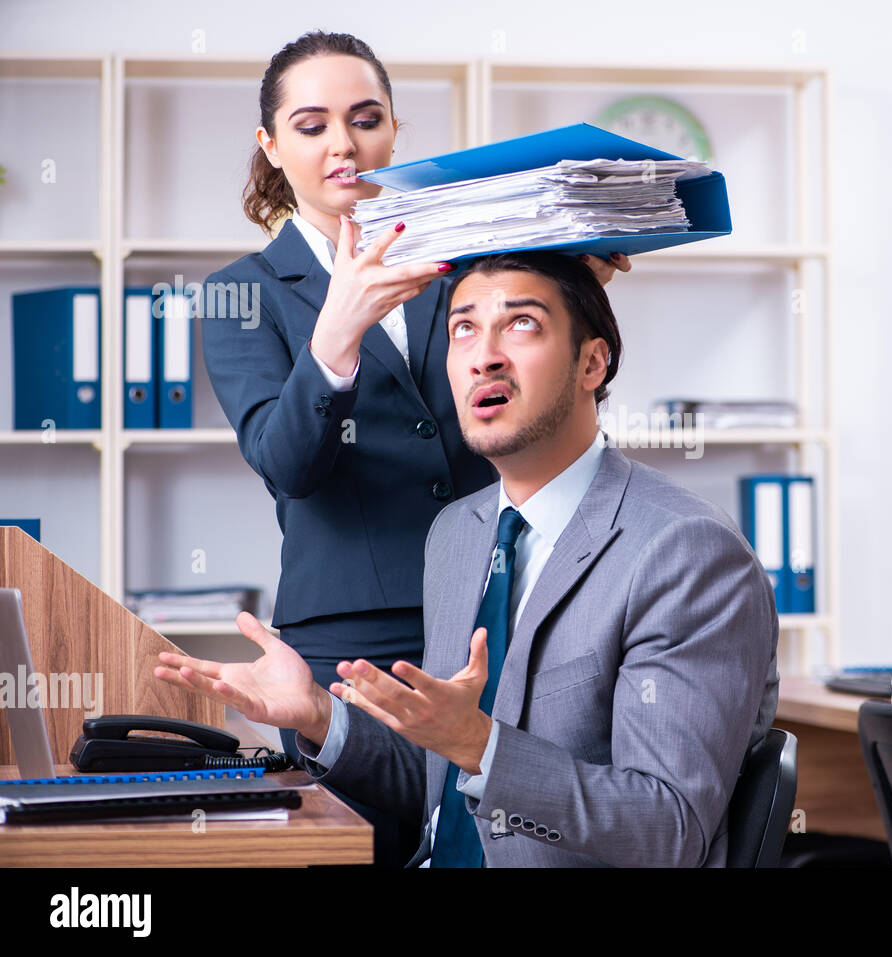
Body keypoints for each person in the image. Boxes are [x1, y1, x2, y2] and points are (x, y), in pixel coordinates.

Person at [159, 251, 780, 866]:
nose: (485, 355)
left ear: (593, 362)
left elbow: (668, 831)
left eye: (522, 323)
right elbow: (445, 792)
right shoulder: (459, 533)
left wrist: (480, 744)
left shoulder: (685, 553)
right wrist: (321, 715)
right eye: (464, 329)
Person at [200, 31, 627, 865]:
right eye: (313, 124)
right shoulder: (238, 295)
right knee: (368, 845)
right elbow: (288, 465)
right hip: (347, 635)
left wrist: (573, 281)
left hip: (485, 604)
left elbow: (521, 389)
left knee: (491, 835)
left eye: (365, 119)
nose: (343, 145)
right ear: (272, 146)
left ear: (395, 129)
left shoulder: (462, 260)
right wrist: (335, 338)